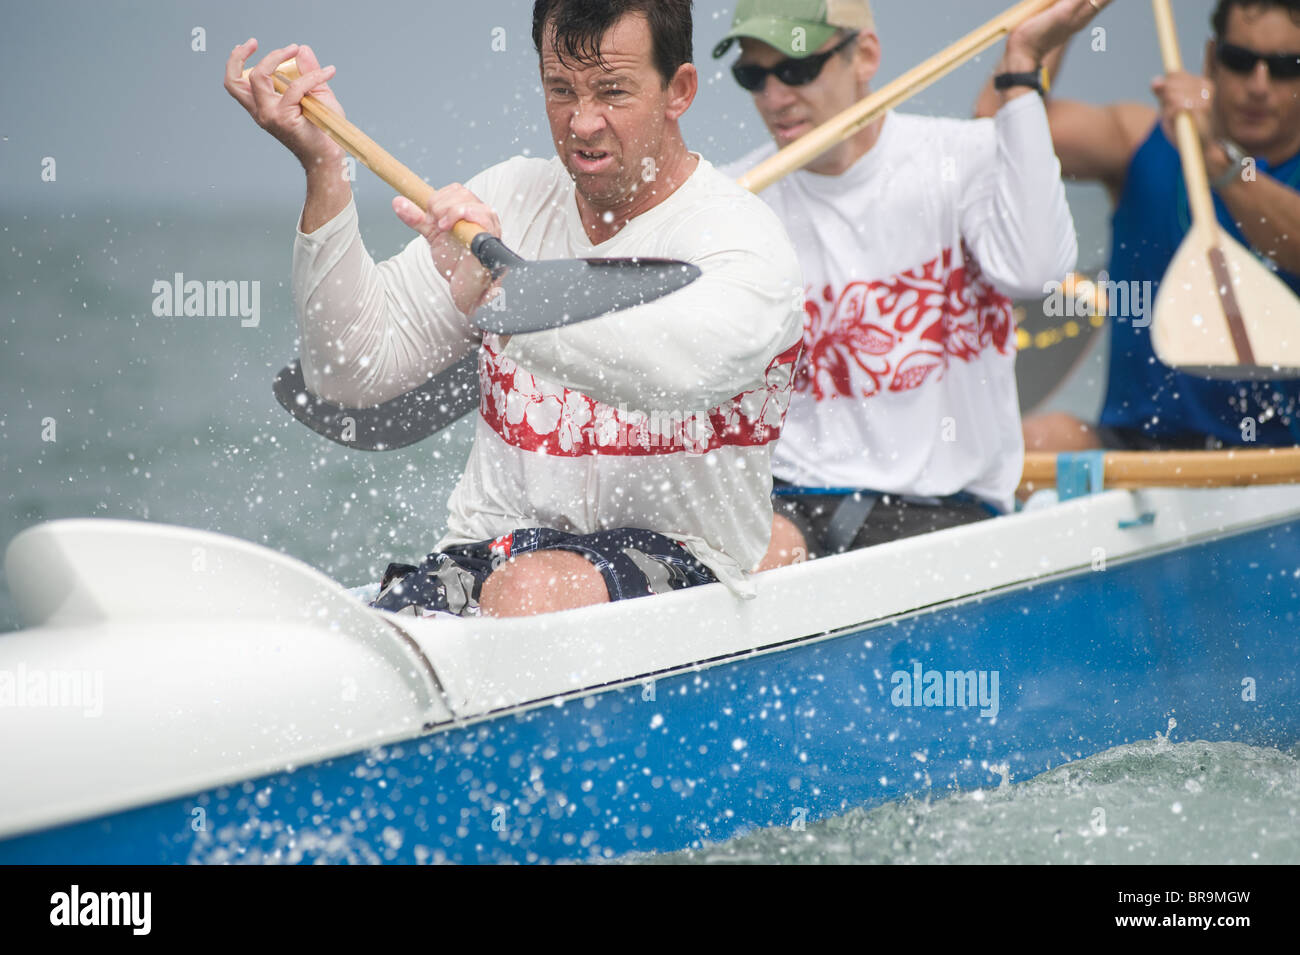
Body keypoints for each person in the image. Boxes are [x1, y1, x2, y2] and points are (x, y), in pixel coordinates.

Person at [223, 0, 804, 617]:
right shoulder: (511, 198)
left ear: (678, 89)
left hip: (689, 566)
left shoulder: (743, 241)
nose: (582, 123)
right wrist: (325, 168)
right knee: (409, 610)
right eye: (561, 89)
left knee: (530, 591)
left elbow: (682, 373)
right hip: (489, 553)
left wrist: (493, 302)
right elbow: (350, 374)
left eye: (612, 92)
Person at [714, 0, 1092, 568]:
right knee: (753, 556)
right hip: (792, 505)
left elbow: (1039, 271)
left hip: (946, 509)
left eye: (795, 70)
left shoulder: (961, 157)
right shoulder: (732, 201)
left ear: (864, 55)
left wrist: (1020, 74)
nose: (774, 97)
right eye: (754, 76)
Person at [985, 0, 1300, 453]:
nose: (1258, 85)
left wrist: (1216, 161)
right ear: (1211, 59)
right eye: (1240, 61)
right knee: (1036, 441)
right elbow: (997, 133)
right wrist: (1048, 32)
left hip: (1280, 461)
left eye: (1286, 67)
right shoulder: (1139, 140)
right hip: (1140, 450)